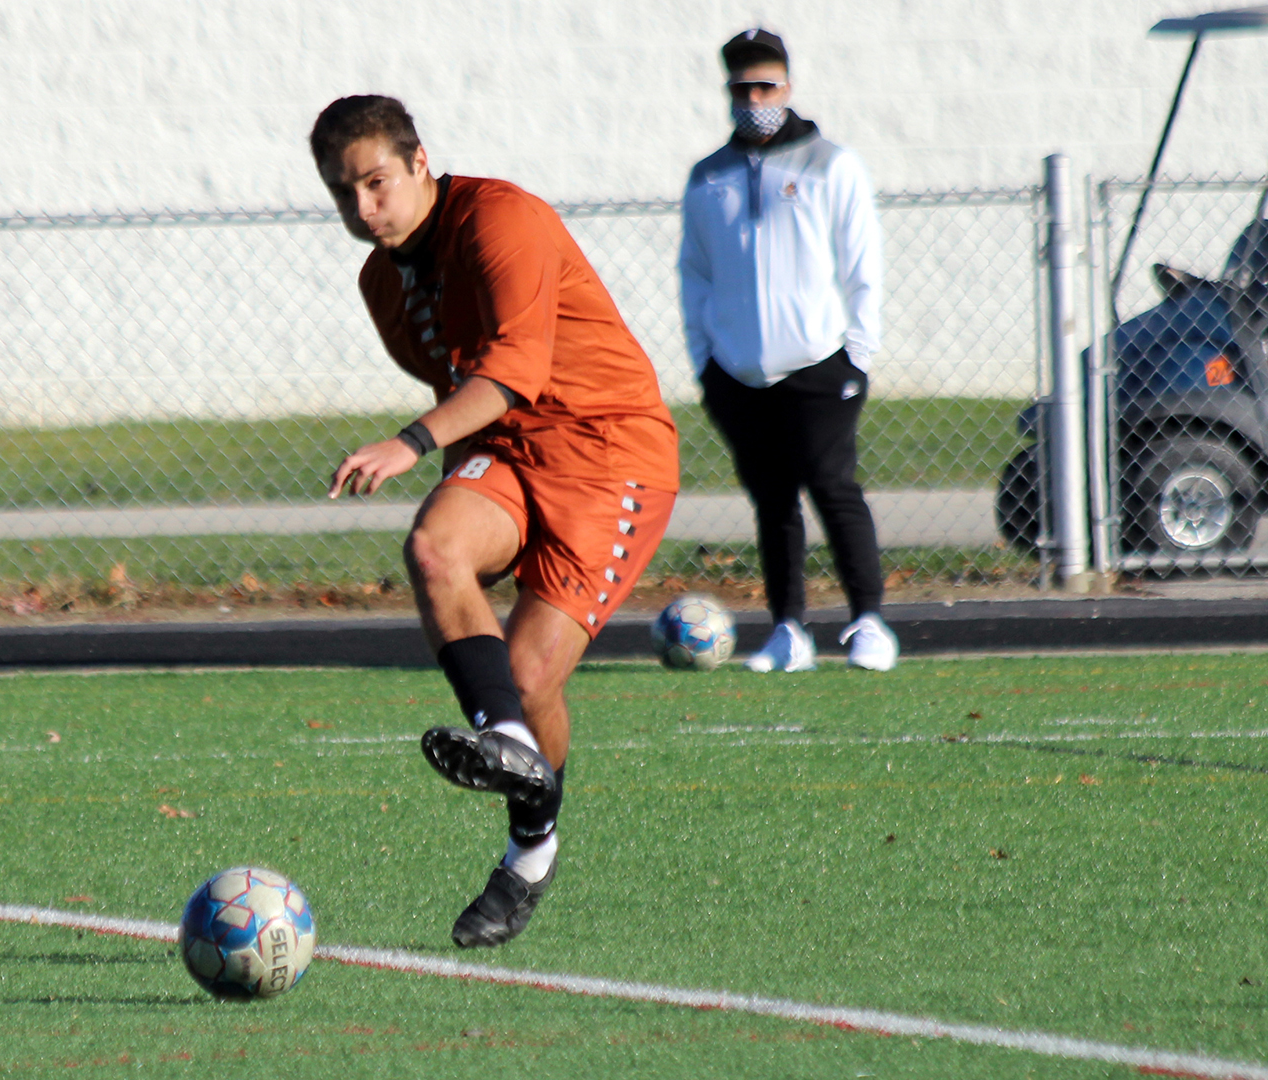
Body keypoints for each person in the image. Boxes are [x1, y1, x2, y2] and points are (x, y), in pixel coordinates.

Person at [313, 95, 679, 947]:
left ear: (419, 164)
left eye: (376, 184)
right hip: (508, 446)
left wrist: (410, 444)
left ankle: (529, 852)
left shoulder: (501, 218)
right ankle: (506, 737)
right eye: (344, 195)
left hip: (609, 451)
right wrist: (449, 470)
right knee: (435, 548)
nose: (364, 210)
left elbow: (511, 370)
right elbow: (462, 388)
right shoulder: (382, 283)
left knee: (530, 672)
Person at [680, 28, 899, 673]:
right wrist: (705, 359)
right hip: (738, 374)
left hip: (820, 362)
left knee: (831, 486)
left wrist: (856, 351)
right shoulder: (707, 177)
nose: (755, 99)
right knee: (772, 500)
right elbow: (696, 274)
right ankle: (789, 630)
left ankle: (868, 623)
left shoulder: (832, 164)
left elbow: (863, 266)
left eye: (766, 86)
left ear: (788, 86)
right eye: (743, 88)